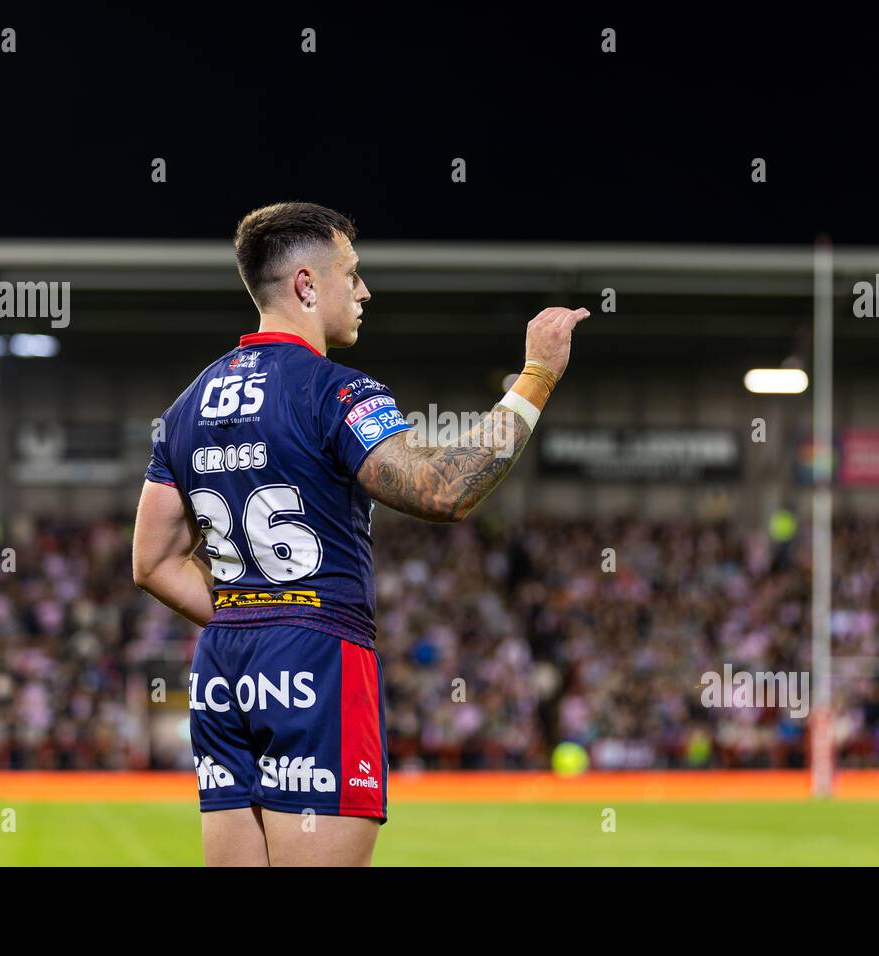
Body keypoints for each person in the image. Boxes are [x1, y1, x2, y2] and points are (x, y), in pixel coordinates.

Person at [132, 201, 587, 865]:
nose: (365, 290)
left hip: (223, 664)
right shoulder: (335, 391)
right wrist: (536, 377)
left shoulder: (186, 405)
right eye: (352, 273)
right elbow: (443, 489)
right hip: (317, 660)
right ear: (307, 285)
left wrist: (250, 615)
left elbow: (151, 563)